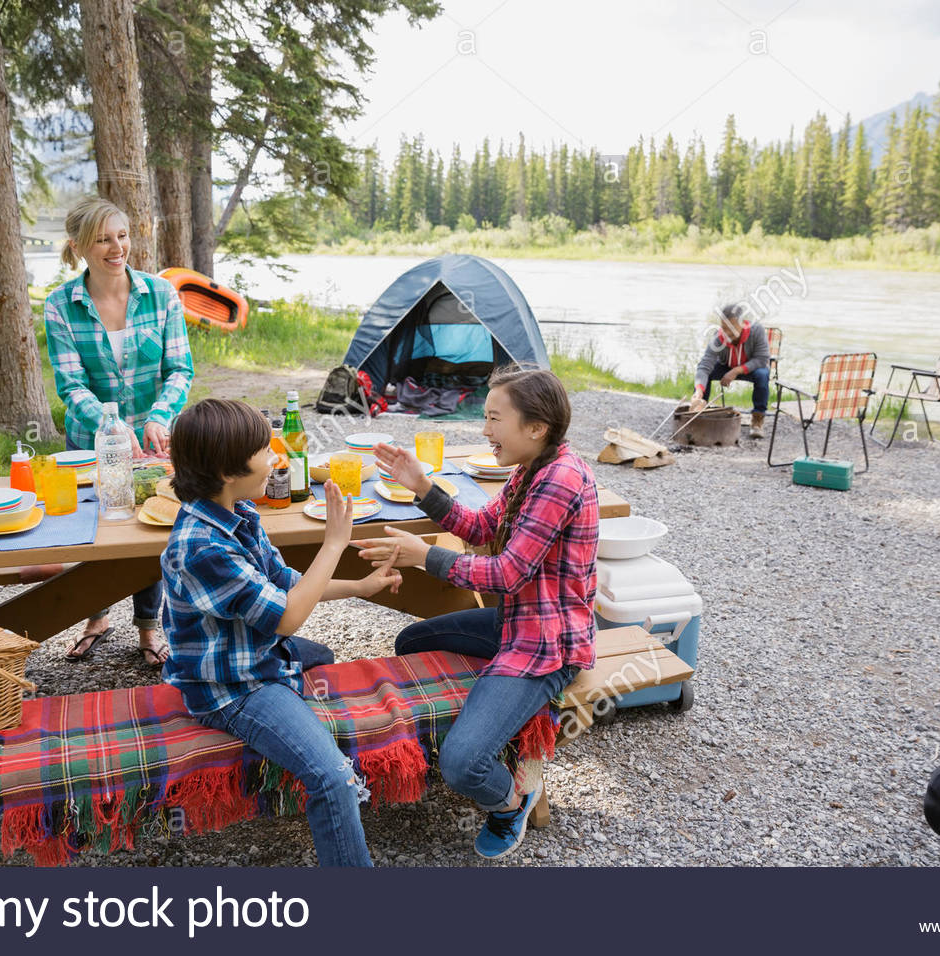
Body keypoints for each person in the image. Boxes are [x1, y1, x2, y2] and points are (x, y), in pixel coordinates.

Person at [354, 367, 597, 860]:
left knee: (463, 765)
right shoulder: (532, 467)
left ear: (536, 427)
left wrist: (423, 555)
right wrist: (423, 486)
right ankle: (496, 719)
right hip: (514, 623)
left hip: (547, 642)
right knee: (411, 643)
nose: (484, 430)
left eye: (493, 418)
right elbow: (482, 526)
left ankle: (511, 799)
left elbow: (507, 573)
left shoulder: (560, 480)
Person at [161, 398, 404, 867]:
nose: (276, 457)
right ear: (227, 470)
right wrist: (334, 543)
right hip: (232, 689)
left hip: (256, 653)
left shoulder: (238, 513)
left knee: (323, 655)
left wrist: (361, 585)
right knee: (332, 778)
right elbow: (288, 618)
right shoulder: (200, 546)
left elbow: (287, 585)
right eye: (262, 449)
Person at [44, 196, 194, 666]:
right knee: (95, 529)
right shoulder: (60, 306)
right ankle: (96, 616)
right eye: (103, 239)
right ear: (79, 247)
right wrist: (110, 426)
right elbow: (71, 385)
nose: (116, 247)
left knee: (151, 525)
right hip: (92, 437)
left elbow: (179, 370)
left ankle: (149, 627)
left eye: (122, 235)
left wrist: (159, 416)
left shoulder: (161, 294)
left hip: (153, 437)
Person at [689, 304, 772, 438]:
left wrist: (736, 371)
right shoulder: (718, 338)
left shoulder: (757, 331)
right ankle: (698, 411)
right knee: (707, 373)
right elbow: (705, 365)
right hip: (726, 366)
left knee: (762, 375)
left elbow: (762, 359)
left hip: (751, 368)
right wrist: (699, 388)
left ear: (743, 324)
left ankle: (757, 419)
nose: (726, 332)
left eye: (731, 328)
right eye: (724, 327)